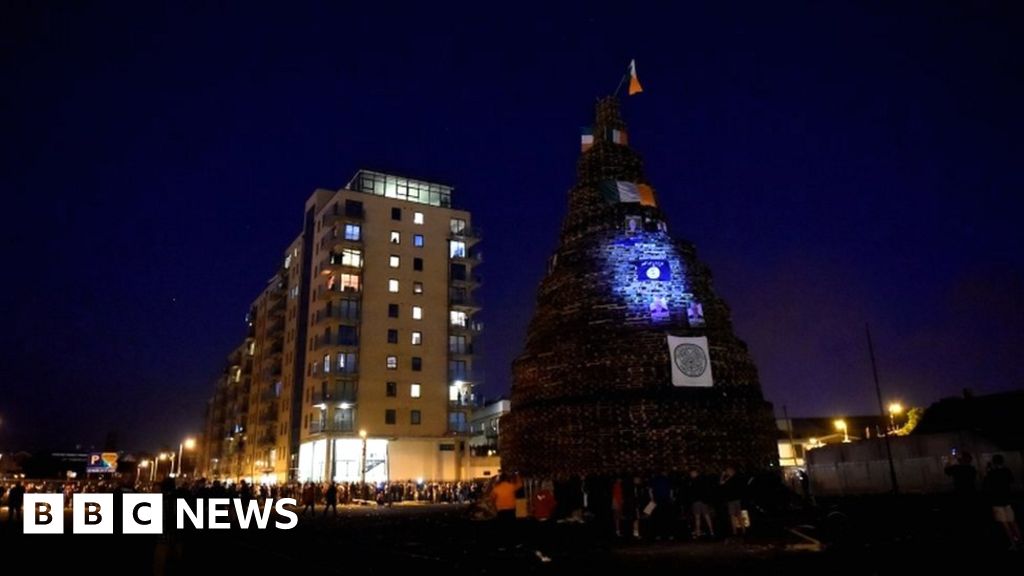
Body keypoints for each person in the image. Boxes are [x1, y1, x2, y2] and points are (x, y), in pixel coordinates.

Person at [983, 454, 1021, 550]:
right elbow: (1011, 481)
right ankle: (1020, 540)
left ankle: (1013, 543)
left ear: (994, 462)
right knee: (1013, 521)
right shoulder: (1007, 471)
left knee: (1005, 524)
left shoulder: (991, 473)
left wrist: (988, 471)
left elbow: (986, 485)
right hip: (1007, 500)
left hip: (997, 501)